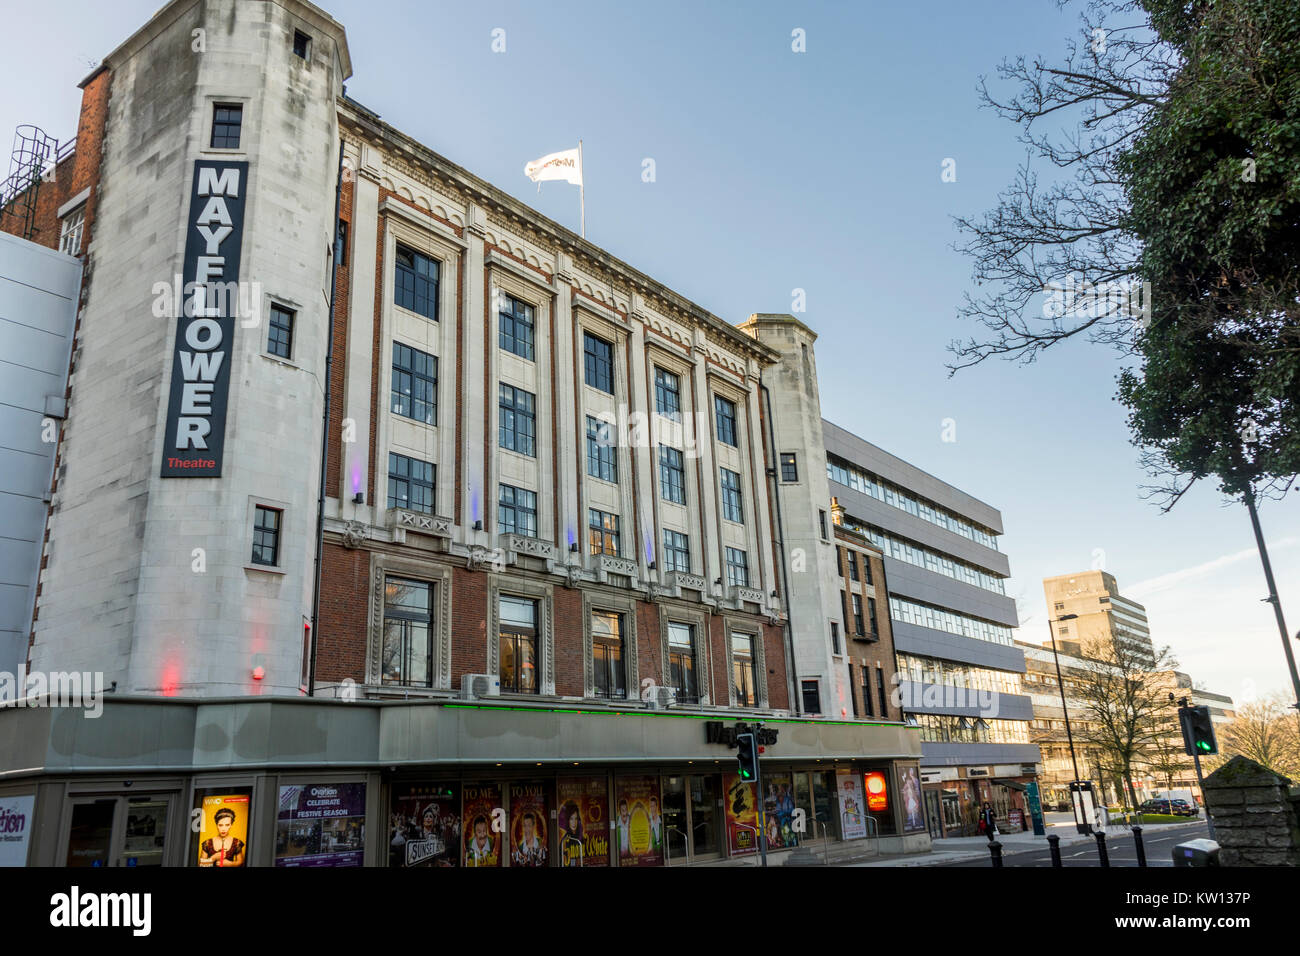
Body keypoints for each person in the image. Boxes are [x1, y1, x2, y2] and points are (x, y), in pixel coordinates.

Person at [560, 802, 584, 867]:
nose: (574, 822)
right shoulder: (565, 840)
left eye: (576, 819)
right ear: (567, 820)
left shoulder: (580, 836)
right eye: (571, 819)